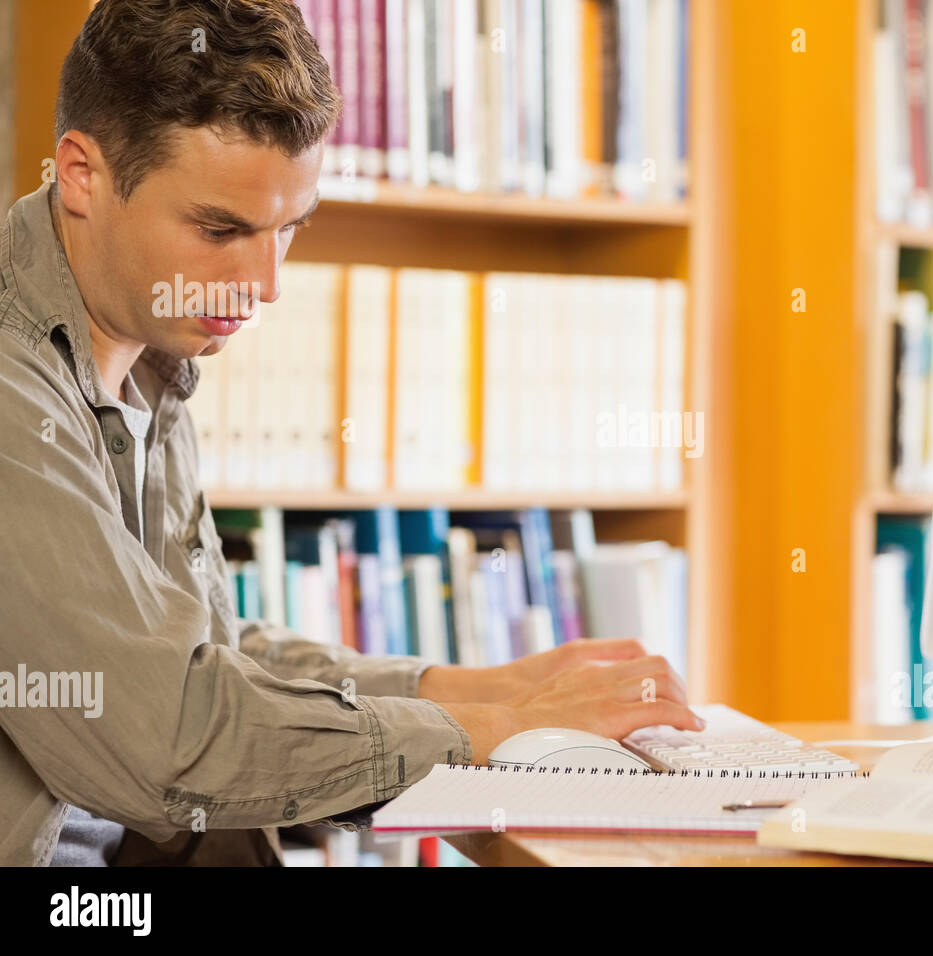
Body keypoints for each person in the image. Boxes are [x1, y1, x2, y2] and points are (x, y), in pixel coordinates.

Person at [0, 0, 701, 867]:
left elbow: (204, 653)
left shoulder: (143, 349)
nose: (263, 284)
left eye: (289, 229)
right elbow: (167, 730)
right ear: (82, 175)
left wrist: (473, 688)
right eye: (220, 230)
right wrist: (499, 730)